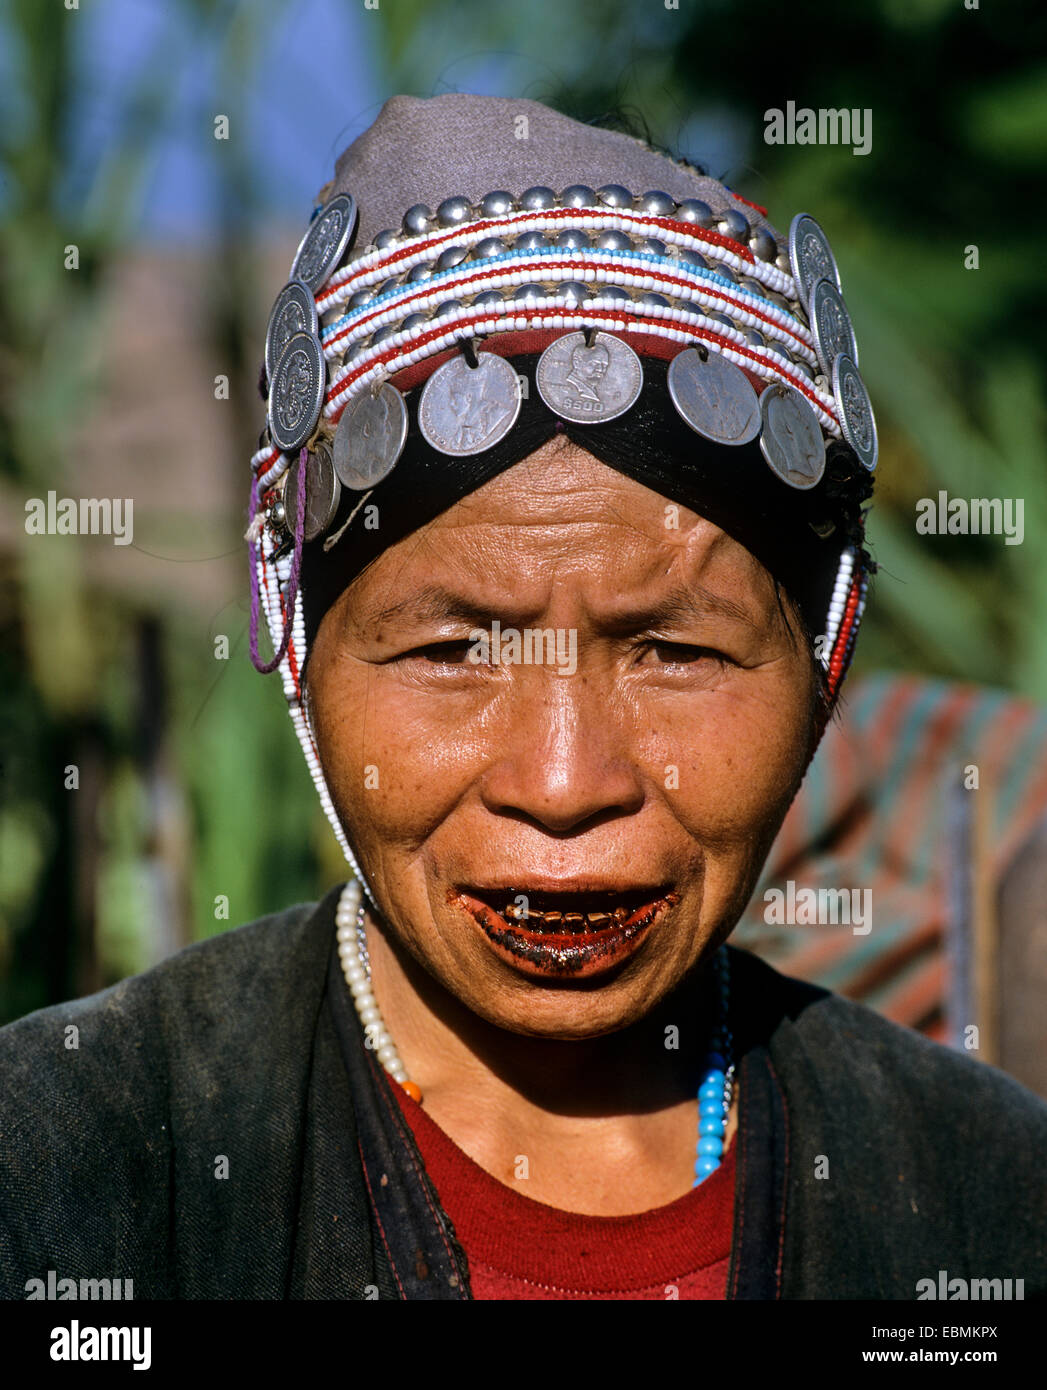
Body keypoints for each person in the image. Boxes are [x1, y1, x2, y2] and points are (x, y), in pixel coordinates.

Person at [2, 93, 1044, 1302]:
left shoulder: (982, 1204)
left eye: (676, 652)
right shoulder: (70, 1177)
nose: (563, 784)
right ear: (295, 641)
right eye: (453, 649)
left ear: (828, 656)